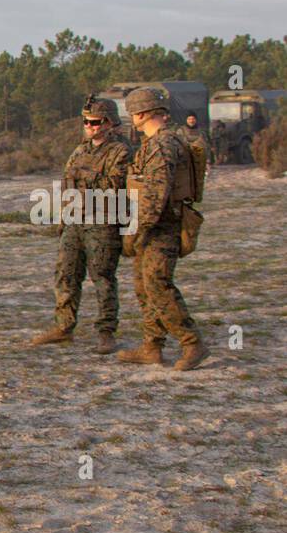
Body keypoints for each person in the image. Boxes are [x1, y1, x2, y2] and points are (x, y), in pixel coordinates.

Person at [28, 97, 132, 353]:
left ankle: (106, 331)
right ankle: (64, 327)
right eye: (86, 121)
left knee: (103, 278)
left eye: (95, 122)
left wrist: (83, 185)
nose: (89, 126)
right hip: (75, 220)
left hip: (103, 222)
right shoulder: (79, 151)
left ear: (109, 122)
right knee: (66, 275)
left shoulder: (121, 151)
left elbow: (115, 186)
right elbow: (67, 184)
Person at [117, 89, 209, 371]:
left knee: (158, 285)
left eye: (133, 113)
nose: (132, 118)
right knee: (144, 287)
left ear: (142, 114)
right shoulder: (155, 142)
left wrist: (139, 230)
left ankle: (192, 342)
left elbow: (156, 193)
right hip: (154, 224)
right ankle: (152, 346)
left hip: (161, 225)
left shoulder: (162, 145)